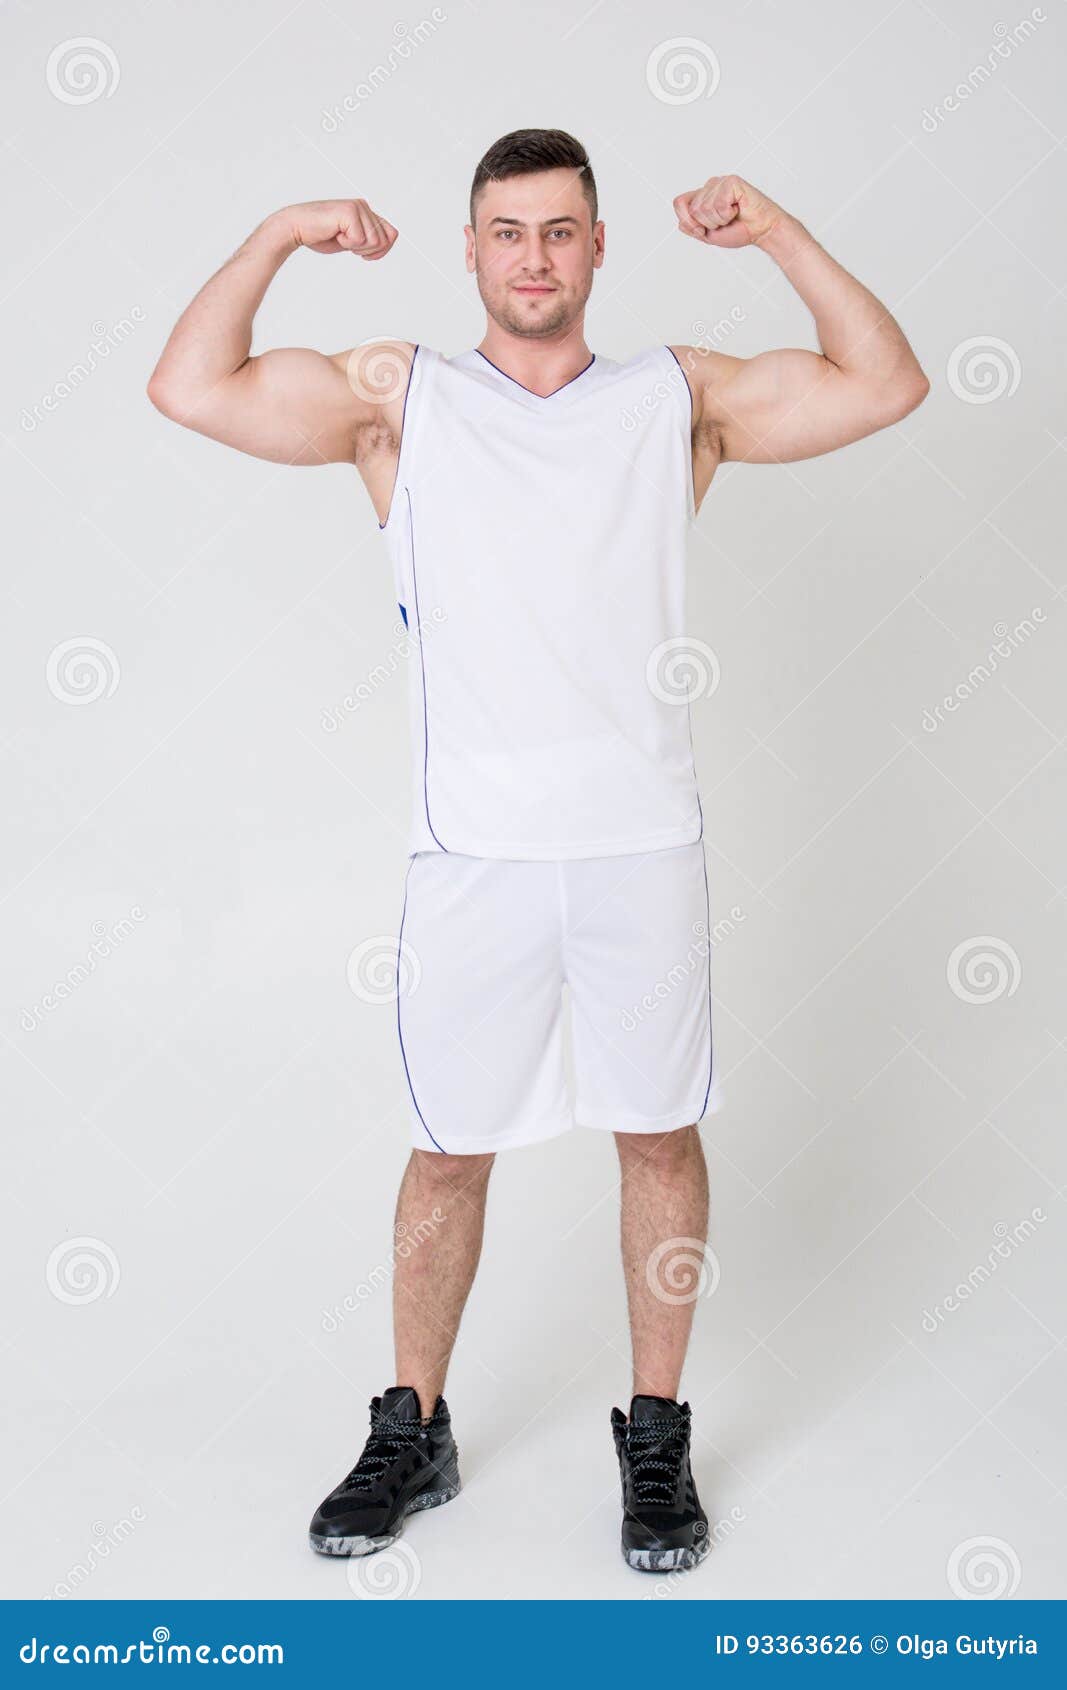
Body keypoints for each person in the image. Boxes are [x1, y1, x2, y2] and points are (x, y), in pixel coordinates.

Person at [147, 129, 928, 1575]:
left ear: (598, 246)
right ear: (472, 251)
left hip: (641, 846)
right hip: (475, 856)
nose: (534, 259)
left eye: (561, 231)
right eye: (509, 233)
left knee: (656, 1131)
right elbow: (189, 384)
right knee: (448, 1152)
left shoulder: (670, 399)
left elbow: (886, 382)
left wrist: (778, 229)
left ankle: (654, 1431)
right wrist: (275, 229)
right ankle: (413, 1427)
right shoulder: (402, 402)